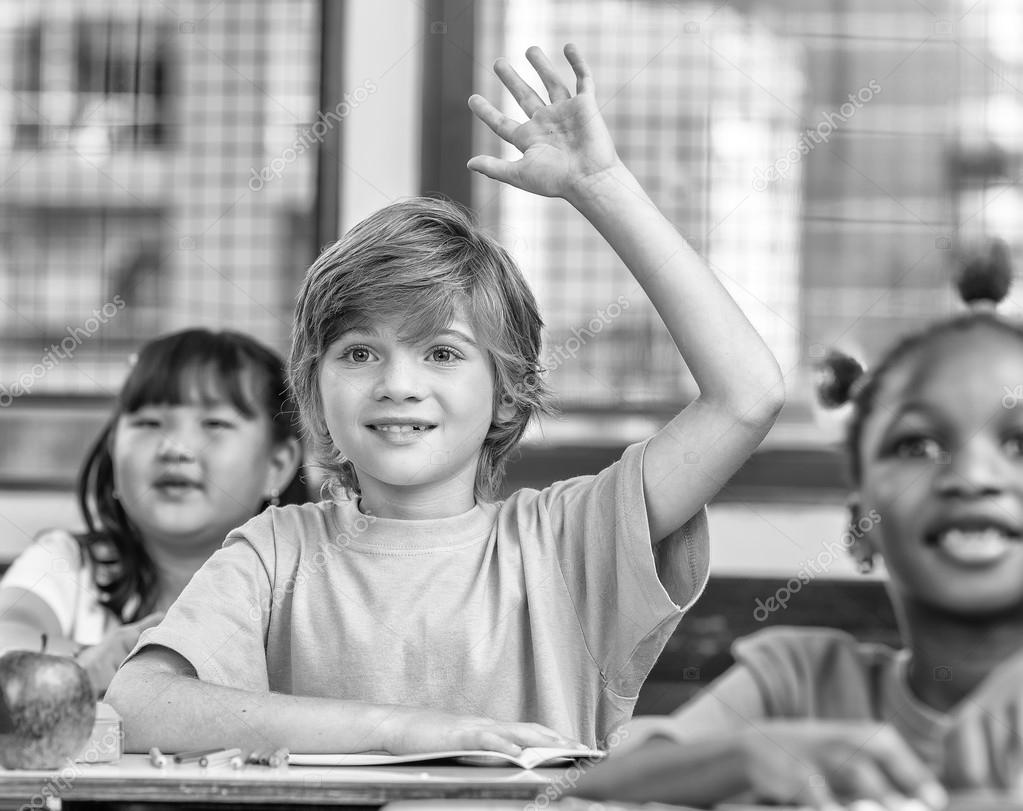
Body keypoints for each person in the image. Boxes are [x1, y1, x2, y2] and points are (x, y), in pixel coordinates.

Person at [106, 44, 783, 757]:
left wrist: (600, 183)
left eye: (441, 352)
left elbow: (747, 395)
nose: (397, 383)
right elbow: (140, 704)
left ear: (505, 392)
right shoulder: (276, 551)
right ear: (313, 391)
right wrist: (409, 731)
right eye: (360, 353)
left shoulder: (571, 543)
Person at [572, 261, 1023, 809]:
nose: (973, 477)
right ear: (861, 529)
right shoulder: (801, 682)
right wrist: (742, 757)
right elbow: (579, 789)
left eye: (1020, 446)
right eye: (918, 447)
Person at [0, 329, 306, 695]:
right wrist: (91, 661)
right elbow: (8, 634)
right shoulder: (70, 563)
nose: (175, 448)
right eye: (148, 423)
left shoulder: (306, 583)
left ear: (278, 464)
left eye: (214, 424)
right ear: (114, 447)